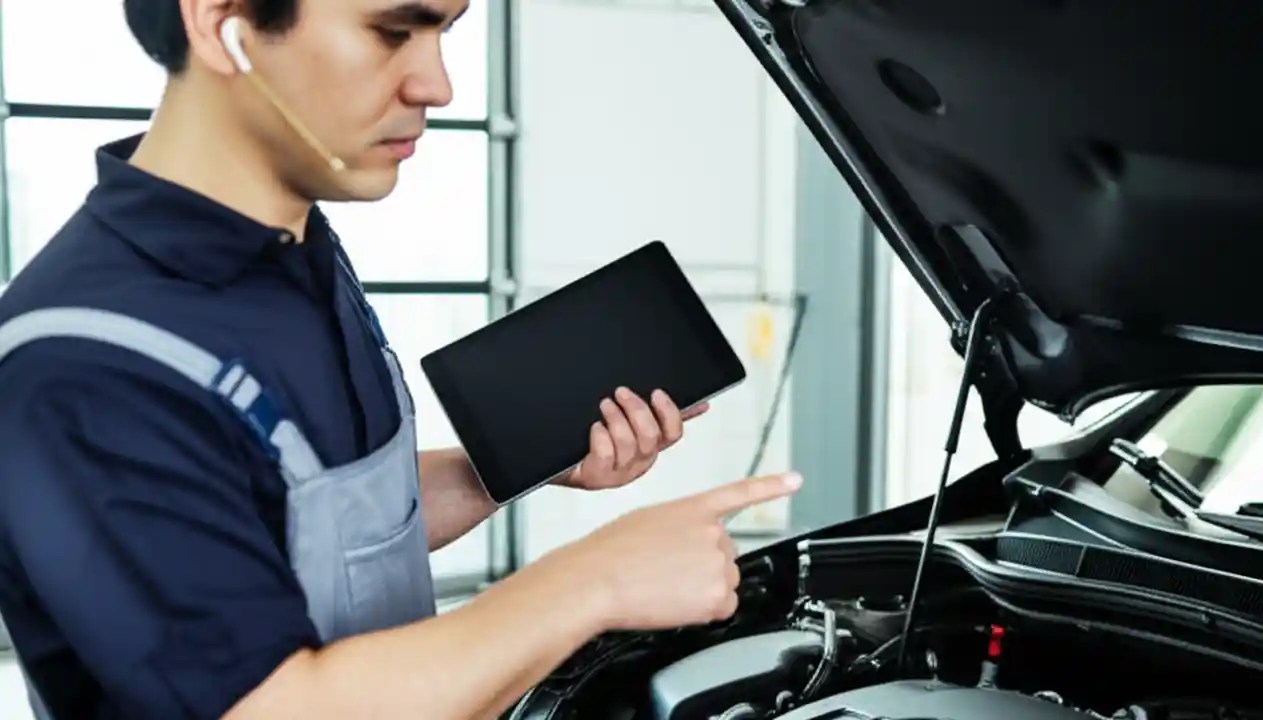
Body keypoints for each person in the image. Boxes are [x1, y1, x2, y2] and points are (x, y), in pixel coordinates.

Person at [0, 1, 803, 718]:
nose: (438, 85)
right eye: (393, 30)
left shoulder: (297, 247)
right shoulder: (83, 363)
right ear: (223, 24)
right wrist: (593, 582)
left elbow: (303, 524)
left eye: (445, 31)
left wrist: (508, 467)